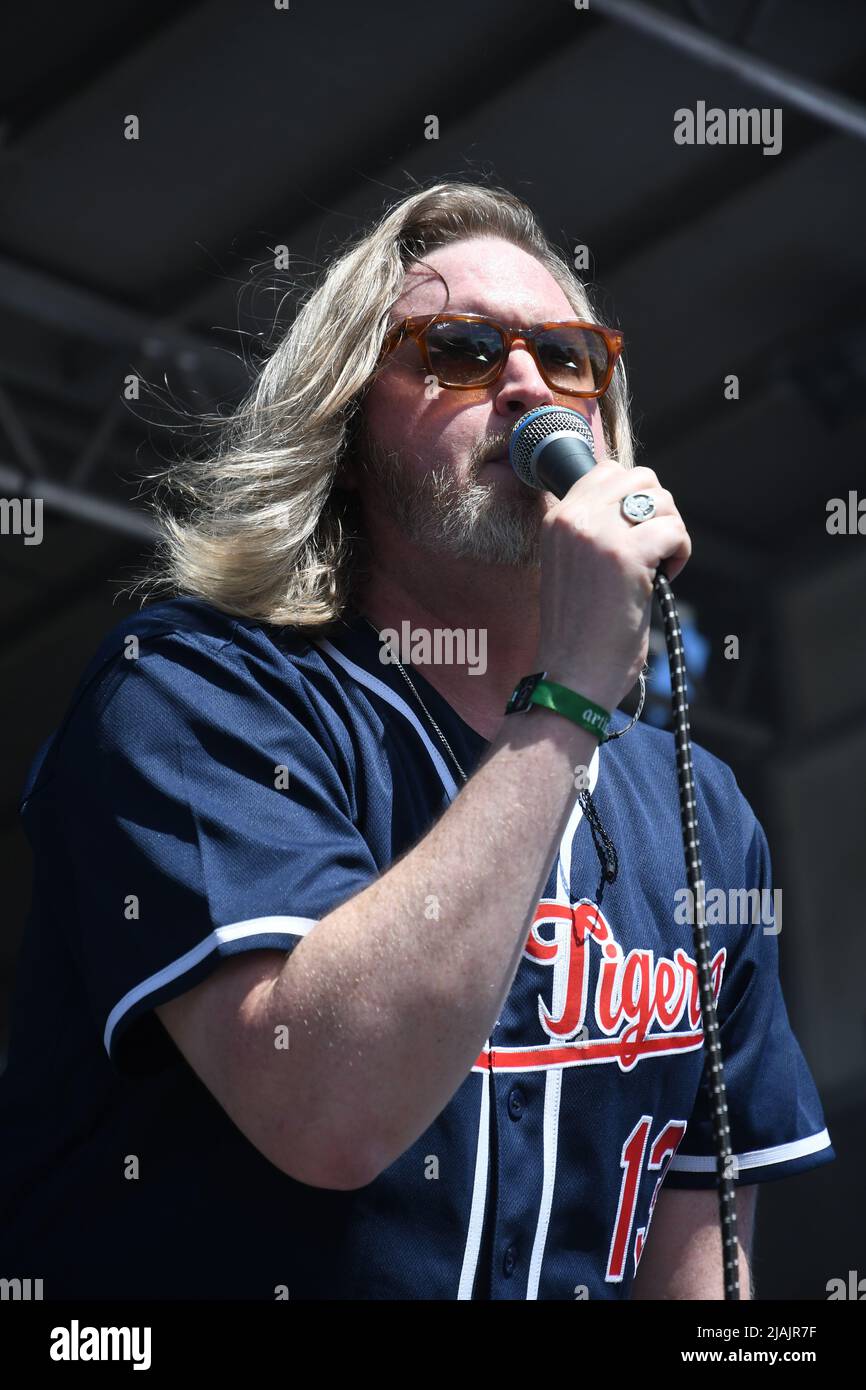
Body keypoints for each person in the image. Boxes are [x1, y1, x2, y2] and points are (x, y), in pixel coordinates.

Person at [0, 181, 833, 1301]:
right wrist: (574, 695)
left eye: (568, 356)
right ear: (346, 432)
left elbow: (696, 1276)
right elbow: (327, 1113)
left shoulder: (701, 811)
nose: (529, 386)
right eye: (463, 350)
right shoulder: (192, 695)